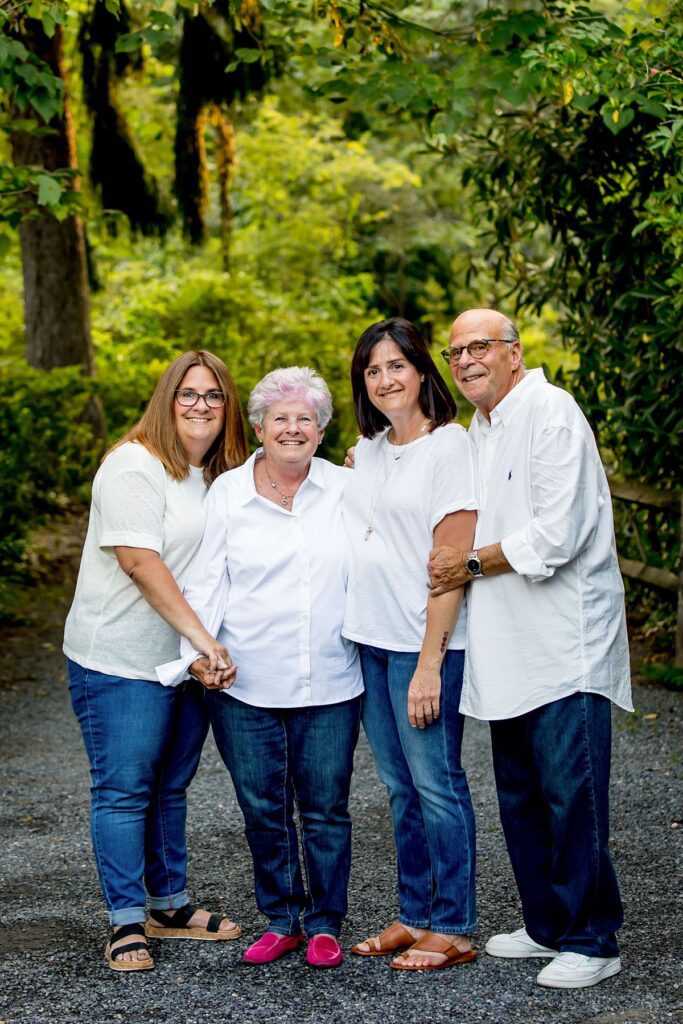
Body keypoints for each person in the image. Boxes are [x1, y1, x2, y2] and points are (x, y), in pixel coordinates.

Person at [429, 308, 633, 989]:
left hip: (561, 643)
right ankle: (546, 924)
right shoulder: (477, 431)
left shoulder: (549, 412)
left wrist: (470, 566)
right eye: (455, 351)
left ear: (514, 353)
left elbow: (559, 533)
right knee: (518, 793)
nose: (464, 360)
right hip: (503, 644)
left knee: (569, 791)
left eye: (479, 346)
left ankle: (592, 937)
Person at [158, 367, 364, 969]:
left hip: (330, 680)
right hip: (244, 684)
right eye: (281, 418)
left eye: (306, 419)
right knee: (264, 809)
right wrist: (198, 654)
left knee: (326, 809)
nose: (293, 428)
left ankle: (325, 923)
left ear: (322, 431)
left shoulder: (346, 488)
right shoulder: (228, 493)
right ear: (258, 427)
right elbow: (205, 581)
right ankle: (283, 918)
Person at [64, 351, 249, 971]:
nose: (201, 405)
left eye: (214, 395)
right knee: (124, 789)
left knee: (170, 787)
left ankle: (167, 905)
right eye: (188, 393)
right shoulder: (133, 466)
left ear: (228, 409)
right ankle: (124, 920)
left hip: (181, 662)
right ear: (167, 400)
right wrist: (204, 641)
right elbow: (141, 564)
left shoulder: (215, 475)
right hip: (119, 660)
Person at [342, 317, 479, 972]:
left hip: (421, 649)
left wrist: (429, 665)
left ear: (423, 371)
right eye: (372, 369)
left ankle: (452, 925)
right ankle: (413, 913)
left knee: (436, 783)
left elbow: (449, 565)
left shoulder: (449, 449)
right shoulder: (368, 451)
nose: (384, 378)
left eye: (396, 364)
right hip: (368, 643)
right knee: (399, 788)